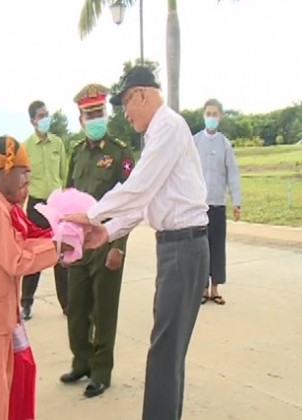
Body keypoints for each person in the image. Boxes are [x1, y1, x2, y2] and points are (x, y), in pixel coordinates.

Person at [62, 66, 210, 420]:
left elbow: (138, 187)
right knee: (168, 351)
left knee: (164, 351)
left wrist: (94, 215)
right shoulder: (160, 131)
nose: (125, 114)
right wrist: (108, 231)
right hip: (177, 247)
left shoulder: (168, 128)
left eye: (127, 103)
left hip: (183, 248)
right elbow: (146, 201)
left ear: (142, 94)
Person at [0, 135, 67, 420]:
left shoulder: (10, 209)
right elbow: (17, 260)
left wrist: (62, 237)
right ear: (3, 173)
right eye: (22, 172)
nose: (27, 178)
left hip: (1, 316)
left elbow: (30, 241)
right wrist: (57, 249)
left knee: (8, 391)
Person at [59, 83, 136, 398]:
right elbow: (65, 201)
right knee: (77, 309)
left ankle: (101, 372)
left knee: (104, 311)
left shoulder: (120, 152)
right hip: (78, 246)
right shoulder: (76, 152)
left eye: (99, 112)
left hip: (107, 242)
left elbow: (131, 203)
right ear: (80, 120)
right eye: (89, 114)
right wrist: (63, 241)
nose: (95, 118)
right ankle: (82, 362)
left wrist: (119, 247)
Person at [19, 100, 69, 320]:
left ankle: (67, 304)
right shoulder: (25, 148)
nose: (45, 118)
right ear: (32, 121)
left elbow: (64, 174)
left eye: (47, 114)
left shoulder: (58, 143)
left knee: (62, 255)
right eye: (41, 115)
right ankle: (27, 303)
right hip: (36, 206)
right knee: (35, 256)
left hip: (56, 205)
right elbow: (21, 182)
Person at [192, 98, 242, 305]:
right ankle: (203, 289)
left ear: (220, 117)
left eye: (215, 114)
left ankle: (215, 288)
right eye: (208, 114)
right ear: (203, 116)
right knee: (201, 248)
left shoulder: (224, 143)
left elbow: (233, 174)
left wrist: (236, 202)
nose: (211, 118)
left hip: (218, 204)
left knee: (217, 247)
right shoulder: (195, 141)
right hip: (199, 206)